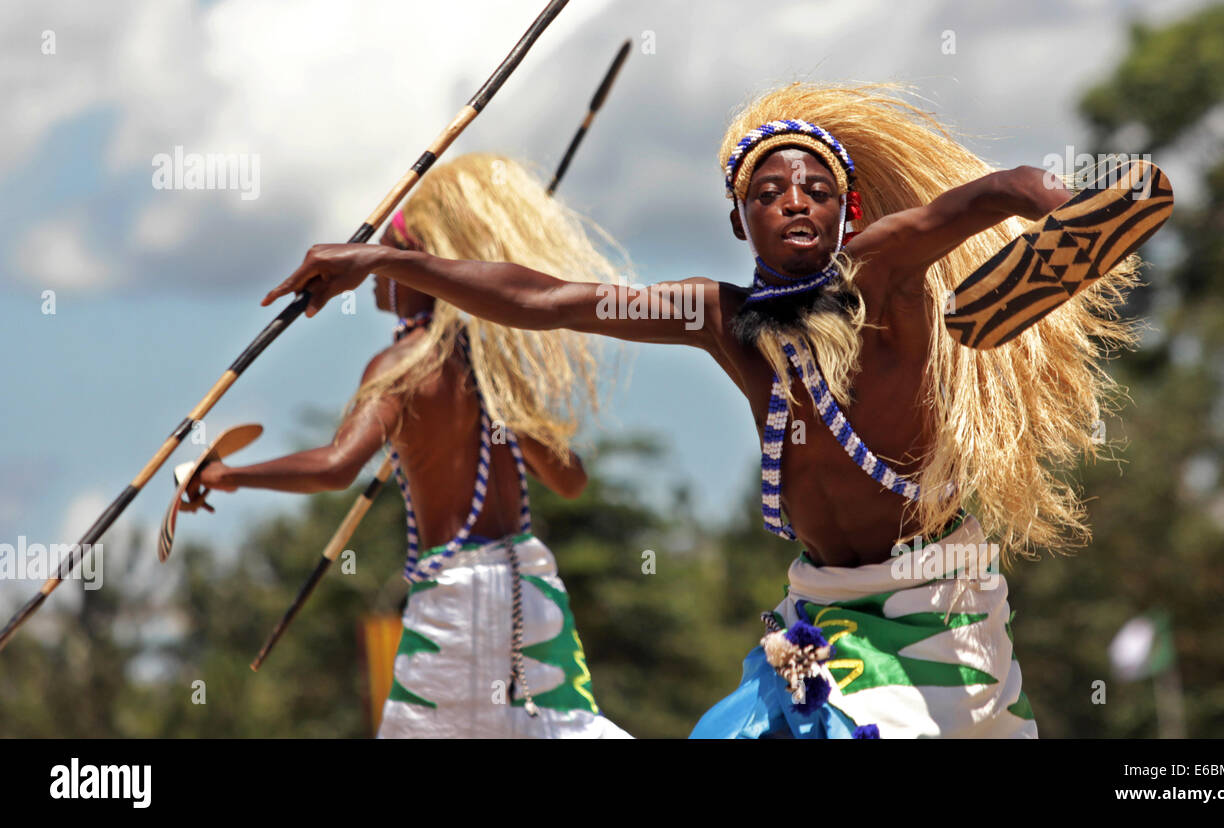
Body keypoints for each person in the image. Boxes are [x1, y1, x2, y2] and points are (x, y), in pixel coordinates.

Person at [261, 83, 1150, 738]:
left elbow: (985, 195)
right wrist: (381, 263)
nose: (793, 201)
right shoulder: (721, 321)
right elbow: (542, 299)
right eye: (768, 193)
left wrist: (1062, 211)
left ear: (852, 212)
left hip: (936, 614)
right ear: (738, 221)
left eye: (815, 190)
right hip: (824, 616)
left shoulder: (881, 272)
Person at [192, 152, 631, 738]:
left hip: (458, 598)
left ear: (416, 270)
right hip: (529, 582)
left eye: (388, 259)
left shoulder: (401, 366)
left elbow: (334, 466)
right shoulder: (494, 369)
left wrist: (229, 475)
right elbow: (572, 481)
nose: (375, 275)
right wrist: (502, 415)